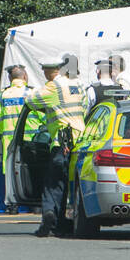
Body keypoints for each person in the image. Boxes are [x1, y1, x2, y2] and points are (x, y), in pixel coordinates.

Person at [26, 55, 86, 237]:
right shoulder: (78, 85)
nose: (43, 73)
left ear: (50, 70)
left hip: (62, 142)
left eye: (44, 70)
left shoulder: (54, 87)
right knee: (72, 183)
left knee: (54, 184)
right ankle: (64, 222)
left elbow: (30, 101)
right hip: (80, 140)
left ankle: (50, 216)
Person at [0, 65, 44, 213]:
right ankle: (35, 204)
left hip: (9, 140)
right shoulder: (32, 93)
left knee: (10, 173)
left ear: (10, 78)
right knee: (31, 171)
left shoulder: (2, 95)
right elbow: (42, 116)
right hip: (30, 139)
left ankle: (12, 205)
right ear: (25, 76)